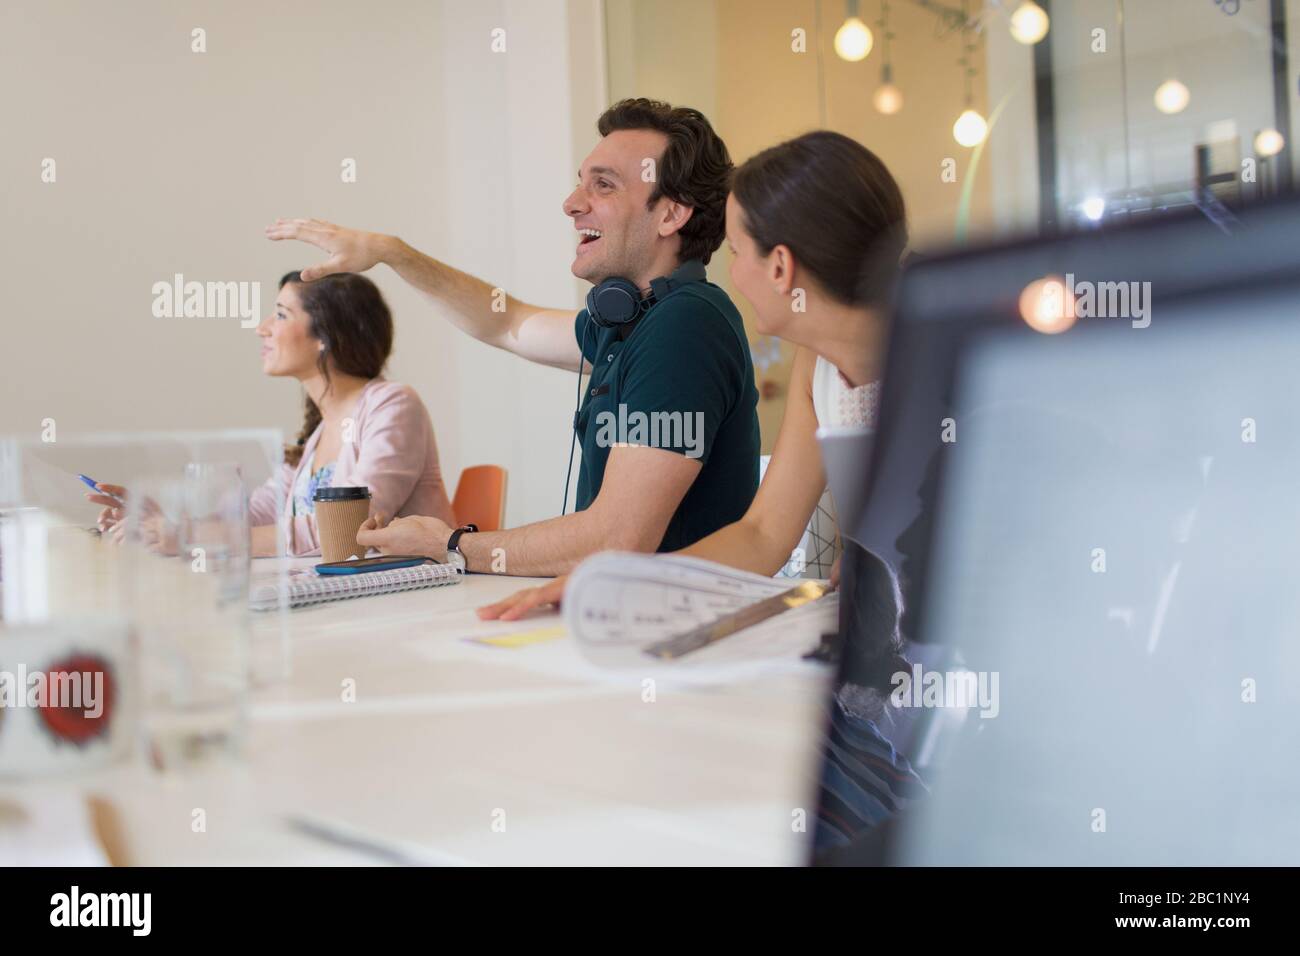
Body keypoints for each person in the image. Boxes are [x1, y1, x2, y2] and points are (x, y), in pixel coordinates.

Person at [265, 98, 760, 576]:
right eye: (579, 184)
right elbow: (506, 322)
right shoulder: (633, 324)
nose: (571, 204)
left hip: (669, 638)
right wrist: (394, 253)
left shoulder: (685, 326)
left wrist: (449, 544)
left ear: (671, 215)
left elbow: (617, 538)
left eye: (603, 186)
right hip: (627, 620)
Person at [479, 130, 906, 619]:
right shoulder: (816, 366)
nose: (735, 274)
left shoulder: (945, 357)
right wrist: (620, 582)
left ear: (780, 268)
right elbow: (762, 535)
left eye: (739, 253)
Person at [88, 271, 455, 556]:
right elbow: (255, 515)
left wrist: (186, 536)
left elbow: (349, 532)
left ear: (325, 335)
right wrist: (160, 519)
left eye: (280, 315)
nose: (262, 328)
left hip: (409, 601)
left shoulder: (392, 405)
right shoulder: (316, 435)